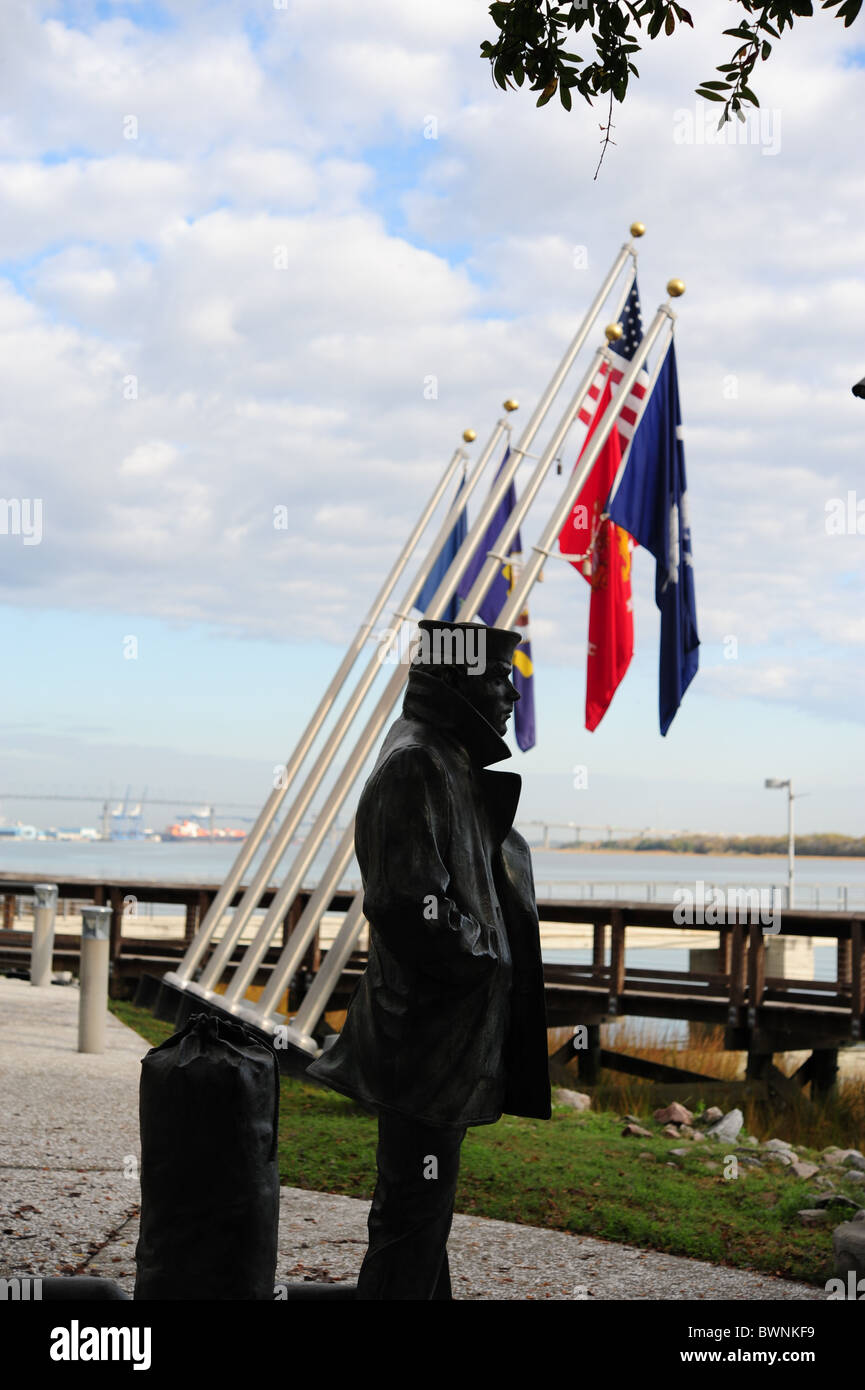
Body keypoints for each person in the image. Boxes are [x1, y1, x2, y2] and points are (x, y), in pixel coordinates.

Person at [306, 619, 551, 1299]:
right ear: (454, 677)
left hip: (442, 1034)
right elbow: (401, 901)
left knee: (419, 1216)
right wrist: (487, 960)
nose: (511, 693)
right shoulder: (418, 761)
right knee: (409, 1217)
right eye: (500, 676)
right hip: (425, 1038)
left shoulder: (446, 758)